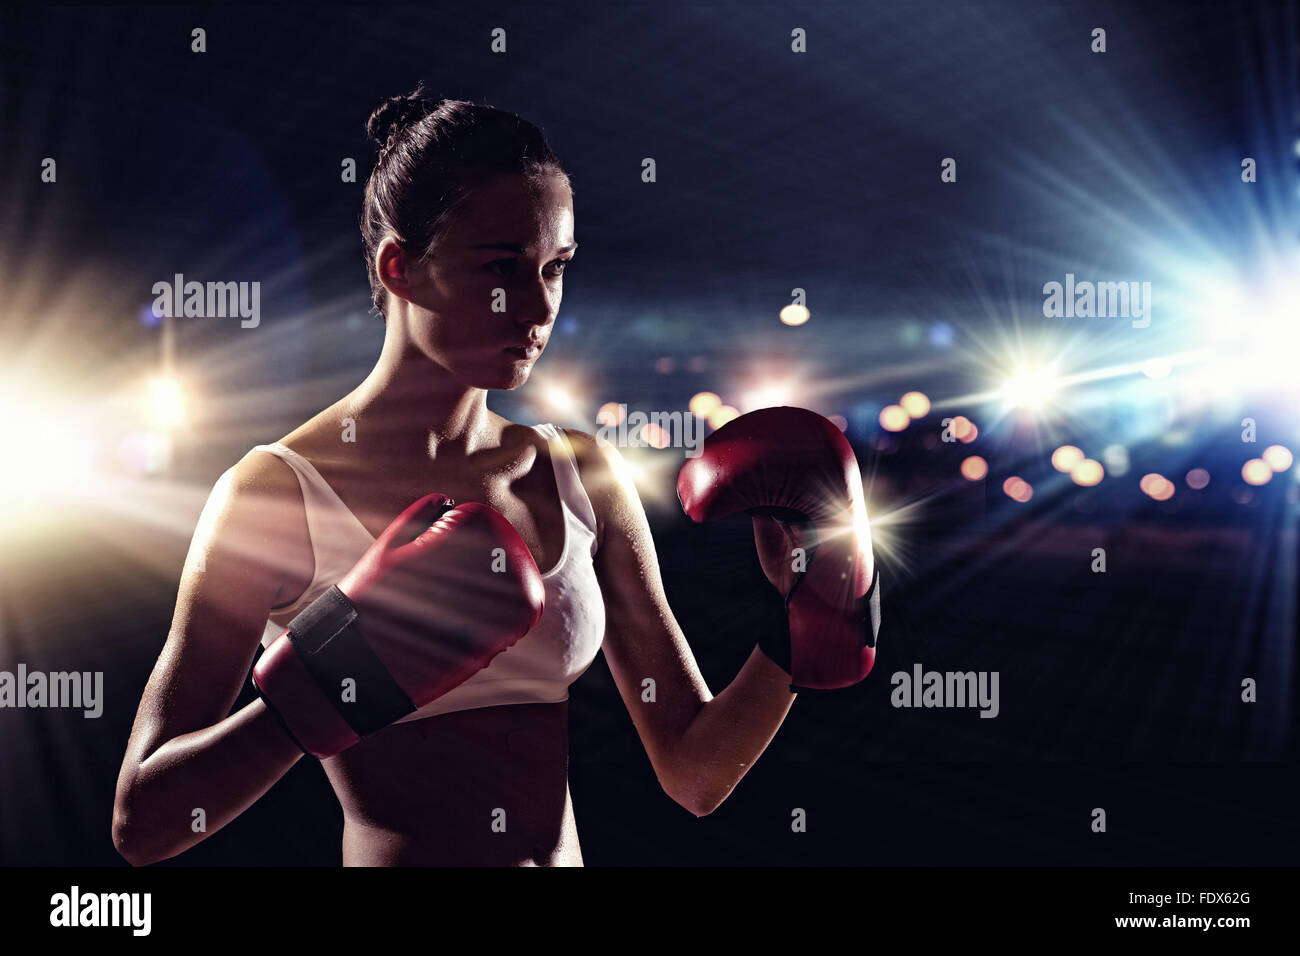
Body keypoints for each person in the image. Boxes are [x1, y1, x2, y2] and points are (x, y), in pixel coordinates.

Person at [111, 85, 869, 867]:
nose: (538, 306)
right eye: (502, 266)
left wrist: (803, 619)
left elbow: (697, 772)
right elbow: (146, 823)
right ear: (400, 267)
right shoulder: (275, 493)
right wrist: (330, 682)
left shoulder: (578, 473)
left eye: (557, 266)